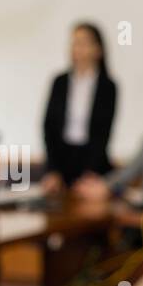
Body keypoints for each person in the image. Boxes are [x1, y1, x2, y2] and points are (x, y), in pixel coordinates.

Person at [41, 22, 117, 194]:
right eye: (75, 42)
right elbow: (49, 127)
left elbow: (103, 132)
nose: (78, 48)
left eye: (84, 42)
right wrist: (53, 169)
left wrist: (90, 172)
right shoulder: (59, 82)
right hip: (61, 161)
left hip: (93, 164)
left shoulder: (108, 87)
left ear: (98, 49)